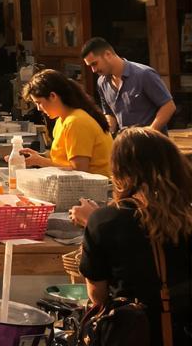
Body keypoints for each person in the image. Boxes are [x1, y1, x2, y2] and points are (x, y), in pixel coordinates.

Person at [77, 128, 191, 346]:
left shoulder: (105, 220)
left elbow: (97, 296)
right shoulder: (187, 214)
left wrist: (92, 224)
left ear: (120, 171)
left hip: (132, 333)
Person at [17, 69, 112, 176]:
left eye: (39, 103)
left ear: (53, 96)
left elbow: (79, 171)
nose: (38, 108)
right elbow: (62, 158)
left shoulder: (76, 121)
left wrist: (41, 161)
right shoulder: (62, 120)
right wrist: (39, 156)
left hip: (94, 185)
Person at [82, 37, 175, 133]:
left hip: (152, 140)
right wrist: (108, 133)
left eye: (94, 64)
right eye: (90, 66)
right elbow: (109, 113)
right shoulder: (101, 83)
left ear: (107, 54)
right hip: (126, 140)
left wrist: (150, 131)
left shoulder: (144, 74)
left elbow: (168, 106)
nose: (93, 70)